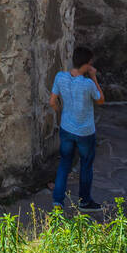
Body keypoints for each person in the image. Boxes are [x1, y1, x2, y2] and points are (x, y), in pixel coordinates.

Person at [49, 46, 105, 212]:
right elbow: (101, 100)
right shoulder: (88, 84)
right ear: (87, 64)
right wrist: (94, 77)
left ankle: (57, 202)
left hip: (67, 128)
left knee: (64, 164)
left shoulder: (60, 77)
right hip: (85, 132)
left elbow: (53, 101)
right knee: (86, 166)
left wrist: (62, 113)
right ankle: (84, 201)